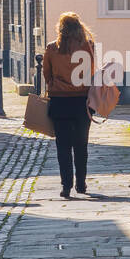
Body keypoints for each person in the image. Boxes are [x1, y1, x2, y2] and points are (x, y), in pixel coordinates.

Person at [42, 12, 96, 199]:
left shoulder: (51, 48)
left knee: (63, 146)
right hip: (82, 102)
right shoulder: (88, 47)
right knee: (81, 144)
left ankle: (66, 185)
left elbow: (47, 74)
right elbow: (91, 72)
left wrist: (57, 85)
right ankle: (81, 182)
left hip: (59, 102)